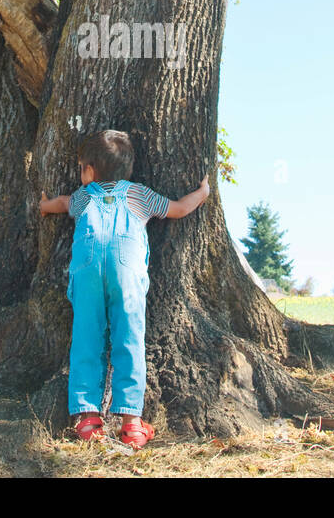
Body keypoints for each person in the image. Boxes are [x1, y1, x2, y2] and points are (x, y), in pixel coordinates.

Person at [39, 129, 210, 448]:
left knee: (86, 339)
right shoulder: (139, 195)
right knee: (128, 340)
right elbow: (178, 209)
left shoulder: (83, 196)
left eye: (80, 168)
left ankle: (88, 418)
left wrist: (45, 206)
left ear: (89, 170)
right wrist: (203, 192)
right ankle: (131, 423)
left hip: (88, 274)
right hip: (126, 277)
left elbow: (62, 203)